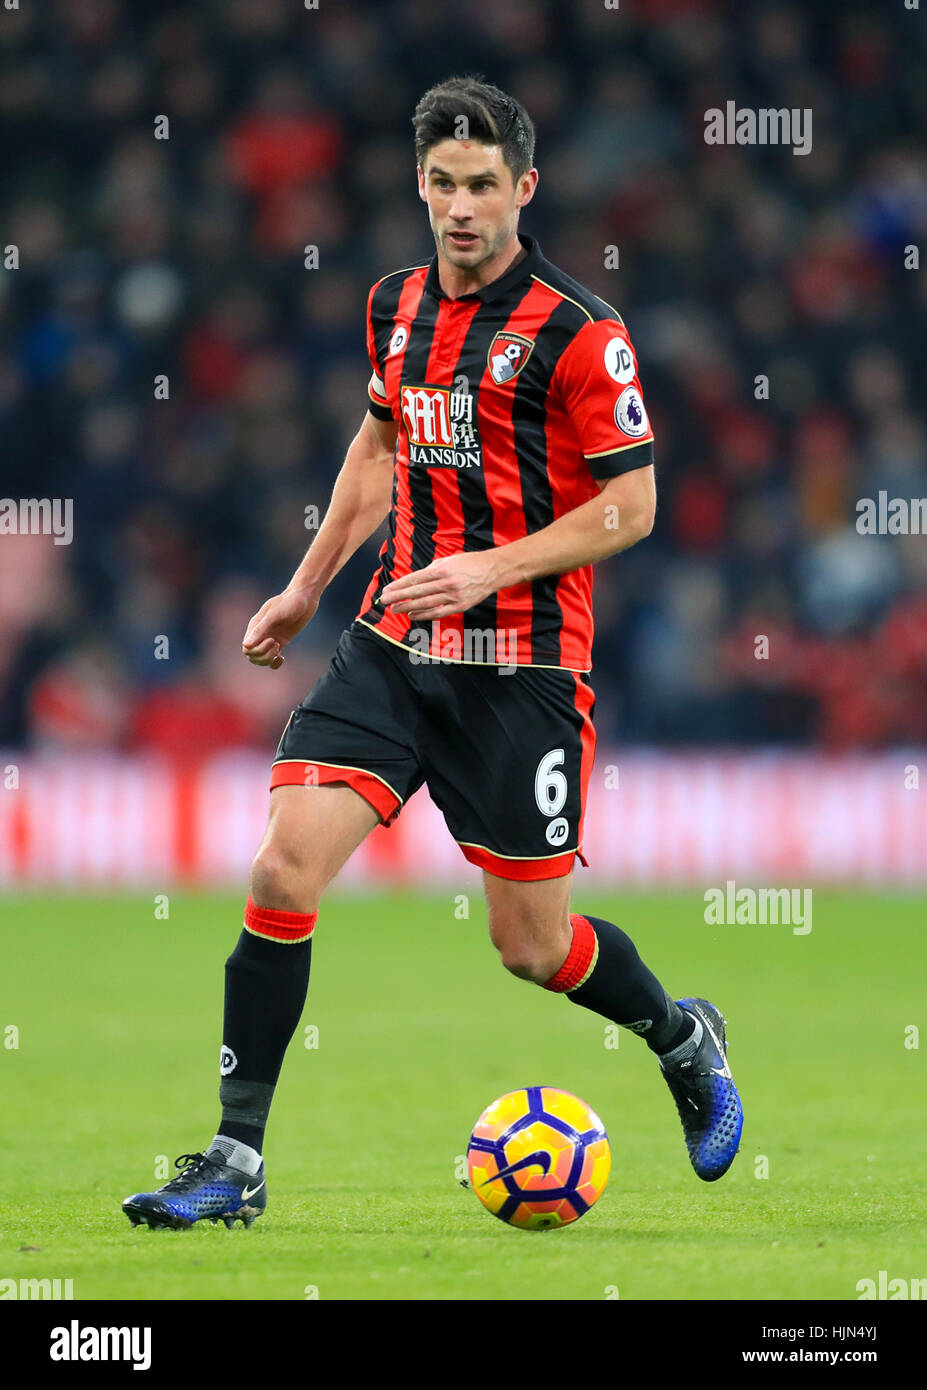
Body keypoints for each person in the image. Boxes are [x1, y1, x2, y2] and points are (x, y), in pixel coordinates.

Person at [123, 76, 742, 1230]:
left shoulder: (578, 331)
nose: (463, 207)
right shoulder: (394, 306)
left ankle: (679, 1032)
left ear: (525, 189)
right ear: (422, 186)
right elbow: (375, 445)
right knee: (279, 872)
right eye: (444, 185)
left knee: (533, 944)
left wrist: (492, 568)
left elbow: (637, 506)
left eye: (484, 186)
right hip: (395, 646)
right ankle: (234, 1158)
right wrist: (307, 586)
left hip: (523, 671)